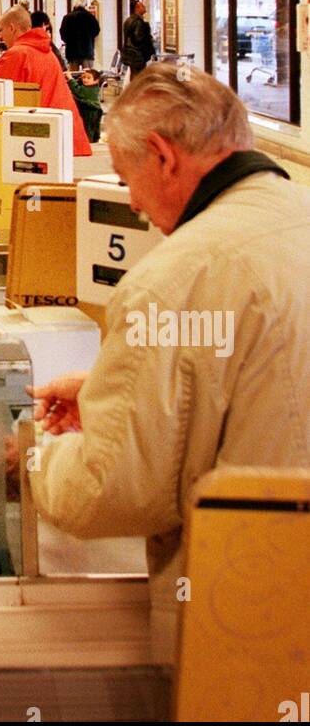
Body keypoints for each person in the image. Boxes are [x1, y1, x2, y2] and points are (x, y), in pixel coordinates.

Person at [27, 64, 310, 661]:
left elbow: (110, 490)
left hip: (248, 610)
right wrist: (112, 387)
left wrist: (36, 454)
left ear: (162, 155)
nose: (130, 202)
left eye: (127, 178)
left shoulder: (174, 279)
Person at [0, 6, 91, 156]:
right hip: (67, 134)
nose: (0, 36)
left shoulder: (16, 55)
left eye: (1, 30)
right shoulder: (47, 51)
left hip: (42, 138)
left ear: (12, 28)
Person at [59, 0, 100, 68]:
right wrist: (89, 39)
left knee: (73, 74)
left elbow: (62, 33)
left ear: (74, 5)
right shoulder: (90, 17)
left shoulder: (67, 17)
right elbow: (96, 30)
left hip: (72, 51)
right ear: (85, 5)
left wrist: (68, 41)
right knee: (88, 74)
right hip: (87, 51)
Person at [122, 0, 156, 75]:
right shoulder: (138, 22)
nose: (144, 7)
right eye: (142, 6)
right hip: (137, 56)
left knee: (133, 75)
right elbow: (139, 39)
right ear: (137, 8)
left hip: (130, 54)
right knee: (139, 77)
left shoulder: (128, 20)